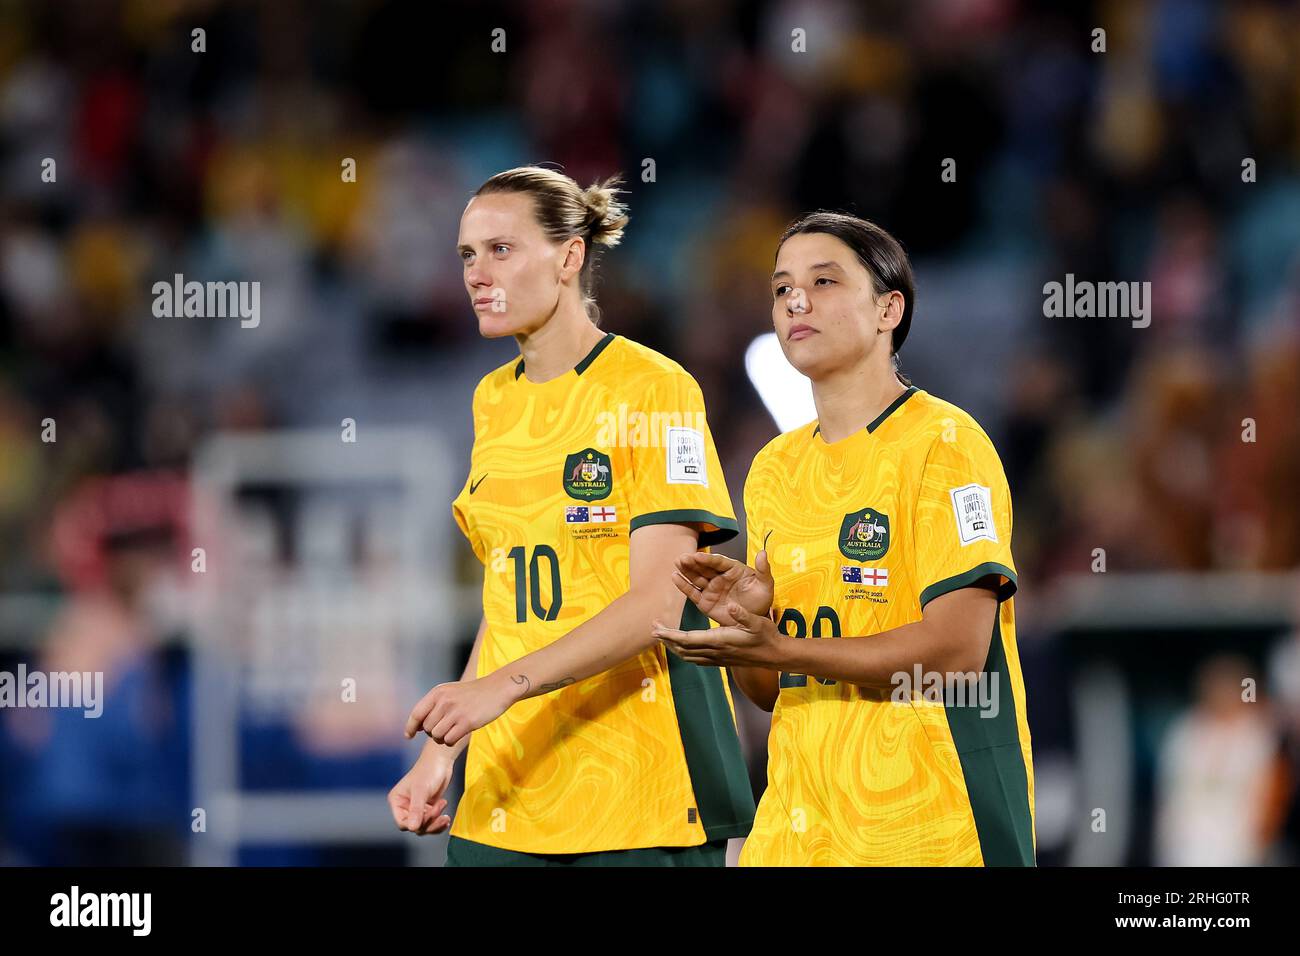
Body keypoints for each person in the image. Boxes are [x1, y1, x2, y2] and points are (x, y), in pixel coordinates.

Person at [387, 166, 755, 866]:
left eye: (502, 249)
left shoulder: (656, 389)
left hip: (638, 793)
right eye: (467, 254)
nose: (476, 273)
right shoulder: (491, 401)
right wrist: (444, 751)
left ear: (569, 256)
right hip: (506, 791)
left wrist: (502, 687)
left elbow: (659, 603)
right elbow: (509, 600)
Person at [655, 211, 1035, 865]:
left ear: (890, 308)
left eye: (824, 281)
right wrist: (749, 634)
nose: (796, 300)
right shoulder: (774, 468)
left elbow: (956, 654)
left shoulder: (946, 444)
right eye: (781, 288)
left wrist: (784, 644)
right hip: (797, 830)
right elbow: (775, 689)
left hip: (925, 829)